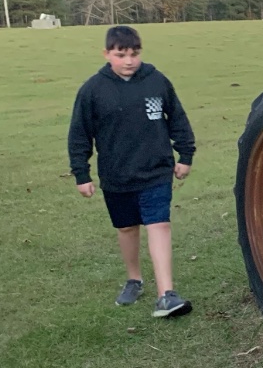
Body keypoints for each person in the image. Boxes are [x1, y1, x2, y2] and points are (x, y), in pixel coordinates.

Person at [68, 25, 197, 317]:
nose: (129, 61)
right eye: (121, 54)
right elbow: (79, 133)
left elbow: (177, 118)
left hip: (156, 170)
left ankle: (167, 294)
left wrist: (185, 154)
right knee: (127, 228)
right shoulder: (93, 90)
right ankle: (134, 279)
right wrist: (81, 173)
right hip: (117, 175)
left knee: (159, 224)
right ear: (107, 54)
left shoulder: (156, 81)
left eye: (134, 54)